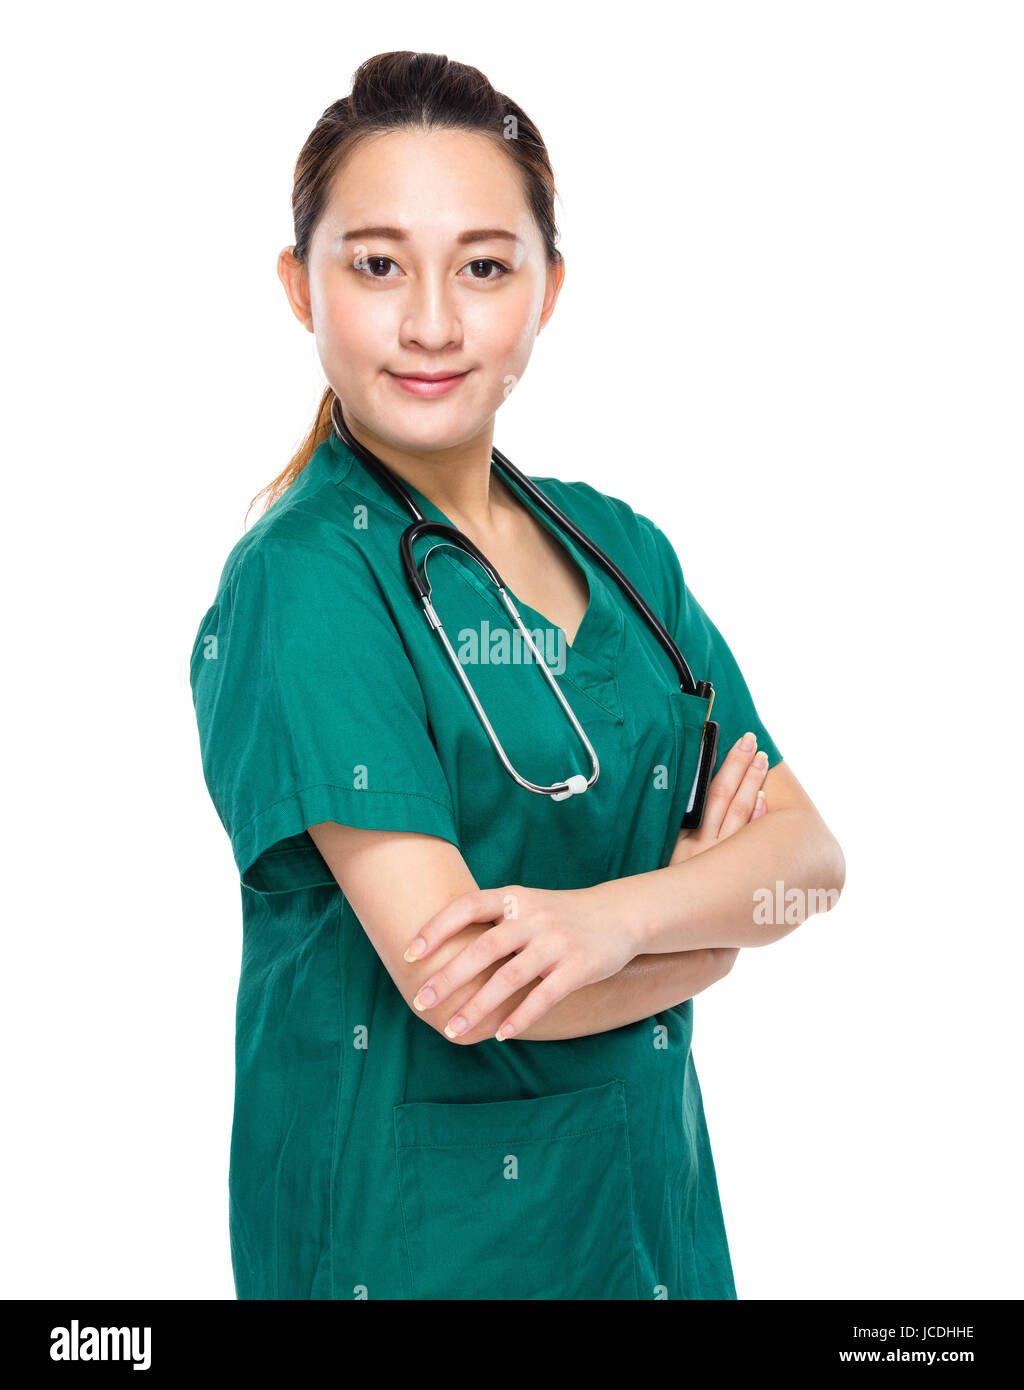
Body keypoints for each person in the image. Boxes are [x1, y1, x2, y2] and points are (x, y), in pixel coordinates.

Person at [189, 49, 845, 1301]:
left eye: (483, 266)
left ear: (548, 289)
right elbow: (463, 984)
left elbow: (809, 868)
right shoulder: (307, 579)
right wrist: (706, 930)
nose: (431, 320)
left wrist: (611, 925)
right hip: (413, 1247)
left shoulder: (622, 550)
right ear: (297, 284)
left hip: (650, 1228)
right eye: (375, 264)